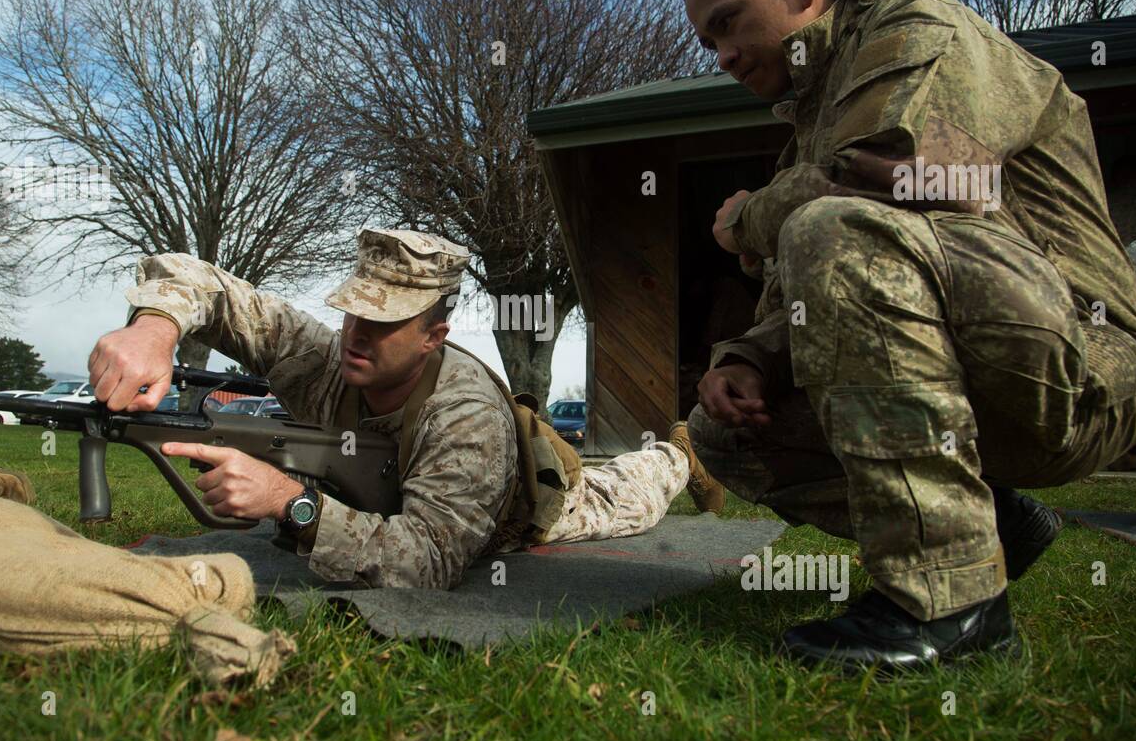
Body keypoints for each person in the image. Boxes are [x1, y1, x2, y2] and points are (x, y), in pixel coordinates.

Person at [676, 0, 1136, 670]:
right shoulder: (818, 107)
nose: (723, 55)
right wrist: (749, 360)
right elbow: (841, 274)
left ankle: (954, 606)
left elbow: (882, 189)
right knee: (722, 431)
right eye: (709, 42)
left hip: (1083, 364)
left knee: (827, 227)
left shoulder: (916, 28)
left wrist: (743, 220)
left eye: (729, 23)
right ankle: (990, 525)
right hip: (981, 368)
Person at [87, 228, 690, 590]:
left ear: (434, 335)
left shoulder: (465, 413)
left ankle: (686, 451)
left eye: (384, 322)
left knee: (632, 489)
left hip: (528, 505)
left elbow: (431, 561)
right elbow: (204, 282)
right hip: (389, 500)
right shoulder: (322, 357)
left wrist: (288, 504)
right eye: (353, 311)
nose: (356, 334)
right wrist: (155, 326)